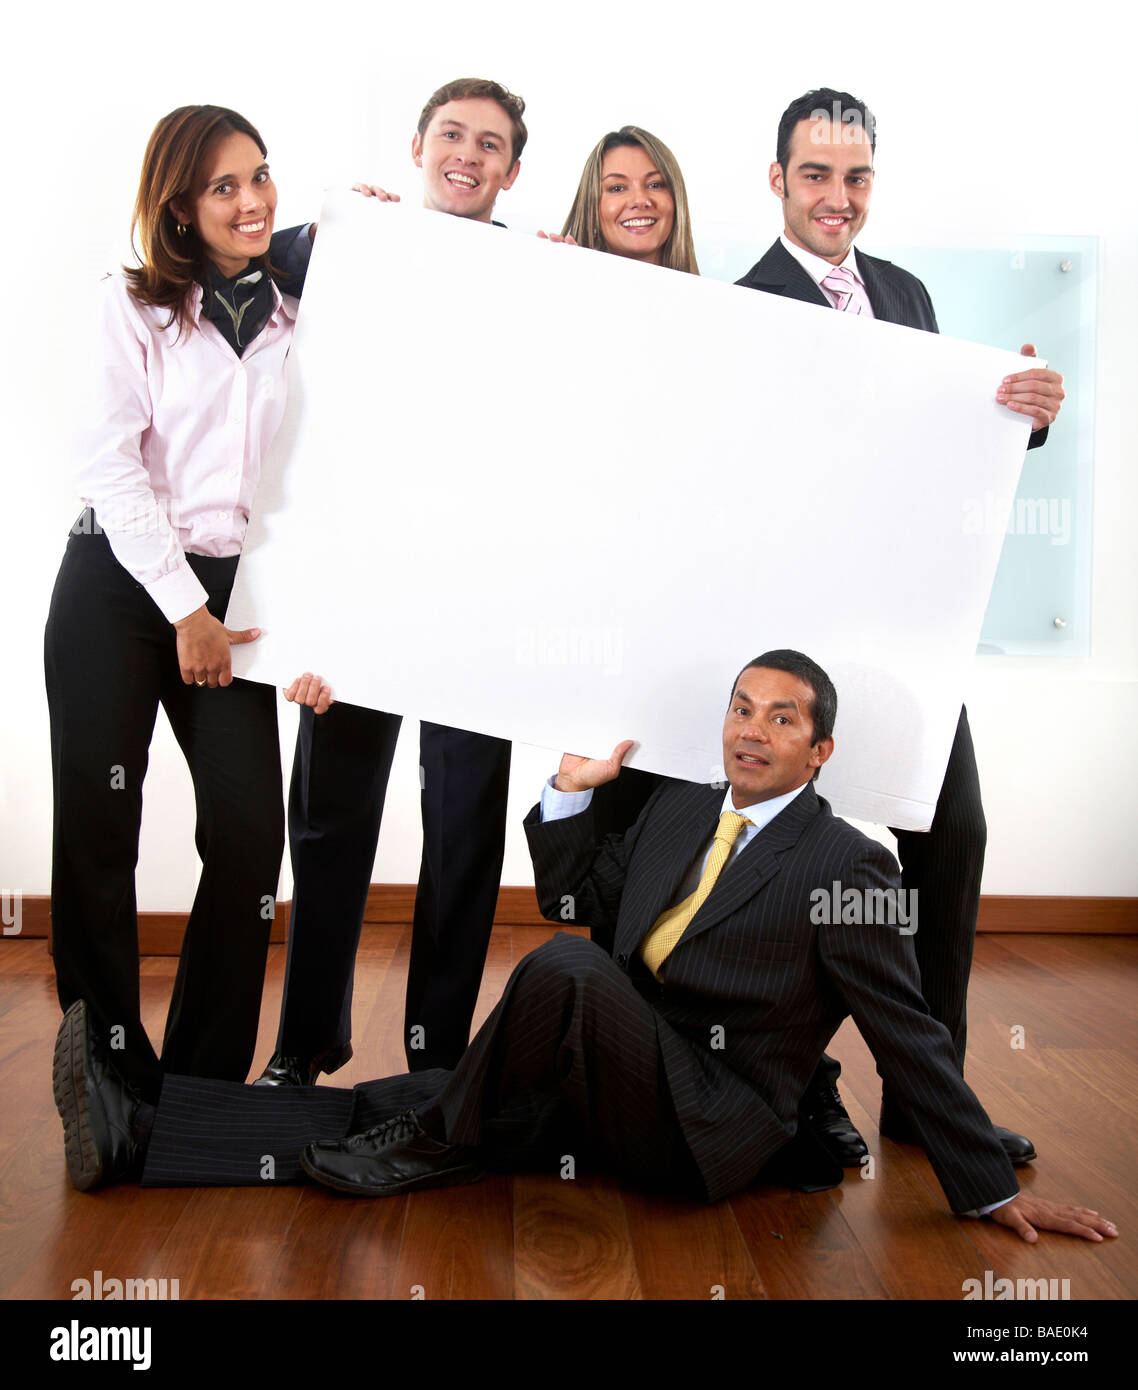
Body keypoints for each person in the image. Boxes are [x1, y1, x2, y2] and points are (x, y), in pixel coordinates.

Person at [53, 652, 1117, 1247]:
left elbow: (910, 1031)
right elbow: (572, 900)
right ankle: (141, 1128)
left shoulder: (849, 865)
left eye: (782, 719)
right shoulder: (674, 813)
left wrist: (983, 1184)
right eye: (741, 708)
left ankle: (433, 1140)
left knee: (553, 980)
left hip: (714, 1123)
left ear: (819, 749)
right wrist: (569, 795)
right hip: (614, 1071)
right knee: (397, 1094)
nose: (751, 730)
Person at [735, 89, 1066, 1170]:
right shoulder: (742, 306)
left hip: (909, 633)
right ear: (776, 180)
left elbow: (944, 443)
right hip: (798, 641)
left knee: (951, 834)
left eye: (856, 176)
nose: (838, 197)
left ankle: (931, 1100)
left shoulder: (907, 292)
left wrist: (1019, 417)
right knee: (790, 864)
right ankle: (765, 1091)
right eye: (817, 174)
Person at [254, 78, 530, 1086]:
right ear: (418, 145)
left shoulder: (539, 275)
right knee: (328, 820)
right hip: (361, 592)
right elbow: (258, 256)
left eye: (490, 143)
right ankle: (304, 1041)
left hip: (478, 600)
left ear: (511, 170)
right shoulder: (348, 246)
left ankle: (434, 1058)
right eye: (451, 134)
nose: (467, 153)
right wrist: (323, 225)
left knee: (462, 833)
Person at [45, 106, 295, 1128]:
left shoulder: (300, 313)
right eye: (224, 186)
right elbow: (109, 464)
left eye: (261, 177)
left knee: (246, 835)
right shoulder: (133, 306)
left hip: (232, 596)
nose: (252, 201)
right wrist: (182, 605)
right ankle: (106, 1070)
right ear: (181, 206)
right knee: (100, 828)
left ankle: (194, 1085)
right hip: (117, 581)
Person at [552, 125, 699, 272]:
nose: (640, 200)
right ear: (592, 208)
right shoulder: (565, 280)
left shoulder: (714, 294)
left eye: (655, 185)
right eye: (617, 188)